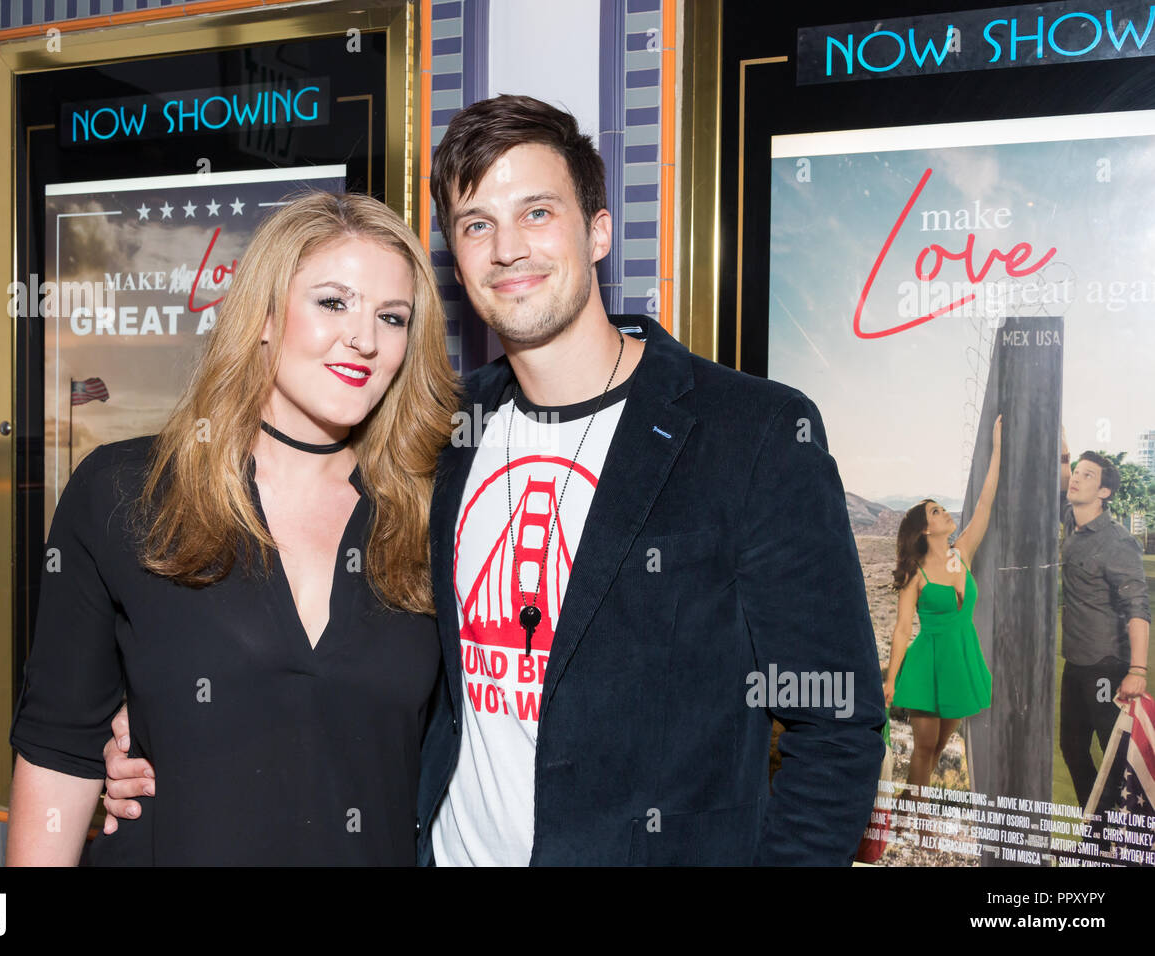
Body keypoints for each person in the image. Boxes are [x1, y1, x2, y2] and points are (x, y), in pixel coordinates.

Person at [104, 94, 886, 865]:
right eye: (478, 224)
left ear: (600, 231)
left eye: (537, 212)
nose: (508, 248)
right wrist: (158, 720)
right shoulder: (433, 430)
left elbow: (838, 728)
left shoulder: (751, 434)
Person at [6, 191, 462, 865]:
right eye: (333, 302)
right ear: (265, 317)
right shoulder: (124, 492)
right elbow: (58, 753)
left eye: (391, 317)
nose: (363, 338)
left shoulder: (438, 513)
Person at [883, 415, 1001, 795]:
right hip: (927, 664)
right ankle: (918, 821)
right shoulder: (914, 573)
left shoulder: (962, 552)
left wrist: (998, 449)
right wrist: (890, 679)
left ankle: (908, 806)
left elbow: (984, 502)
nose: (944, 512)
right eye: (935, 511)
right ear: (924, 529)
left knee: (938, 750)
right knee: (923, 748)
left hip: (962, 660)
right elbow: (902, 629)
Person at [1056, 440, 1150, 812]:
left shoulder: (1118, 542)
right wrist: (1063, 442)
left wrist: (1138, 670)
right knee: (1072, 747)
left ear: (1105, 491)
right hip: (1076, 664)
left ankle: (1115, 833)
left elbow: (1138, 608)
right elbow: (1064, 474)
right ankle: (1097, 827)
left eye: (1087, 475)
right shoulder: (1071, 520)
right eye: (1076, 472)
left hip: (1104, 669)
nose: (1075, 479)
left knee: (1110, 751)